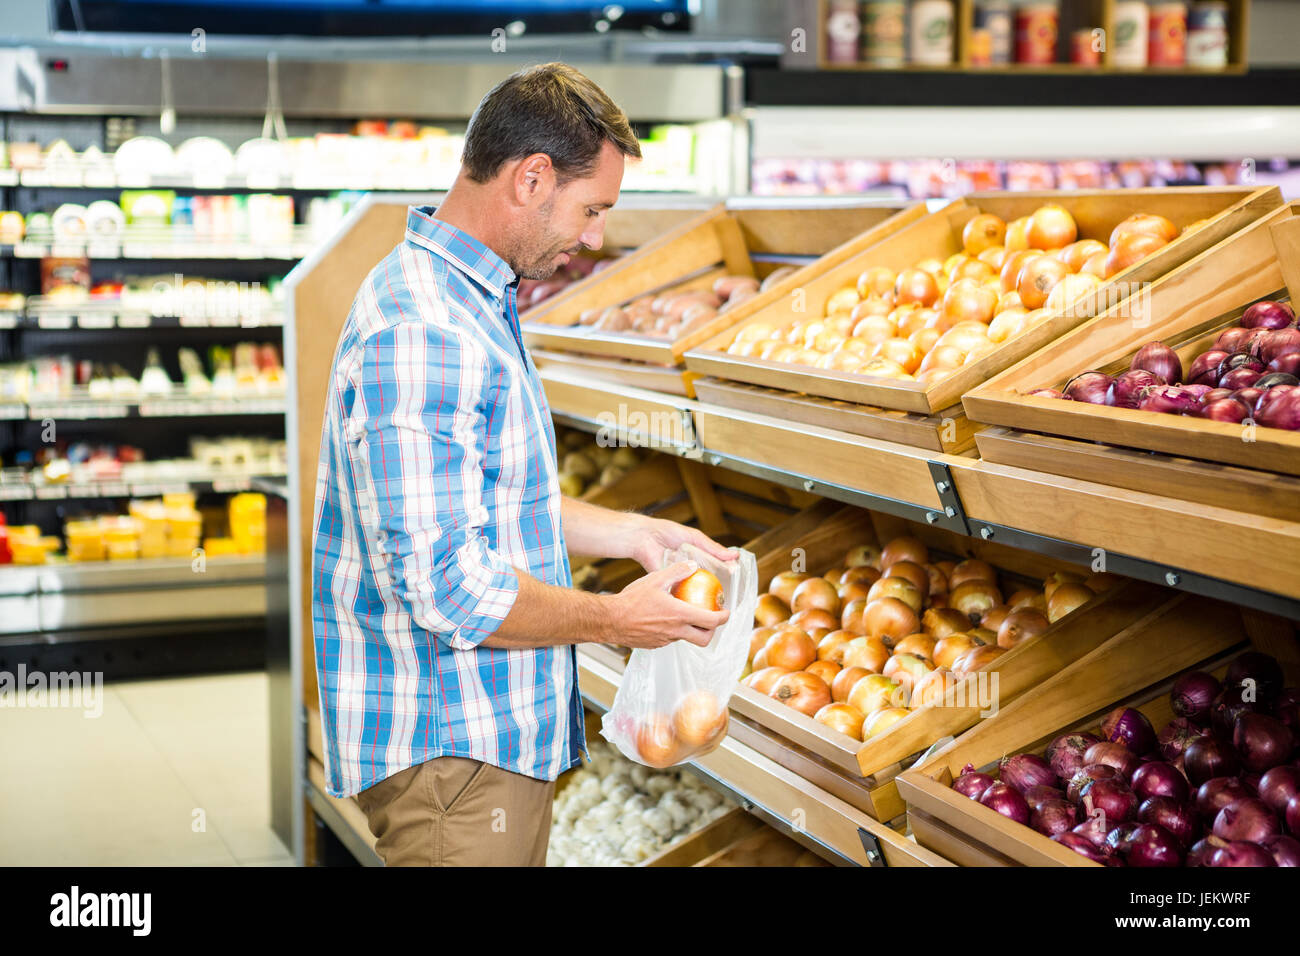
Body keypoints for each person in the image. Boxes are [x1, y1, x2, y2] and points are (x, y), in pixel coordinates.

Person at [311, 62, 735, 867]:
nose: (594, 238)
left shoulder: (467, 296)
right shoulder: (424, 330)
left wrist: (628, 532)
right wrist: (616, 620)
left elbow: (489, 497)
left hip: (479, 746)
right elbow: (446, 582)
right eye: (591, 209)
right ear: (531, 177)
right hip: (454, 759)